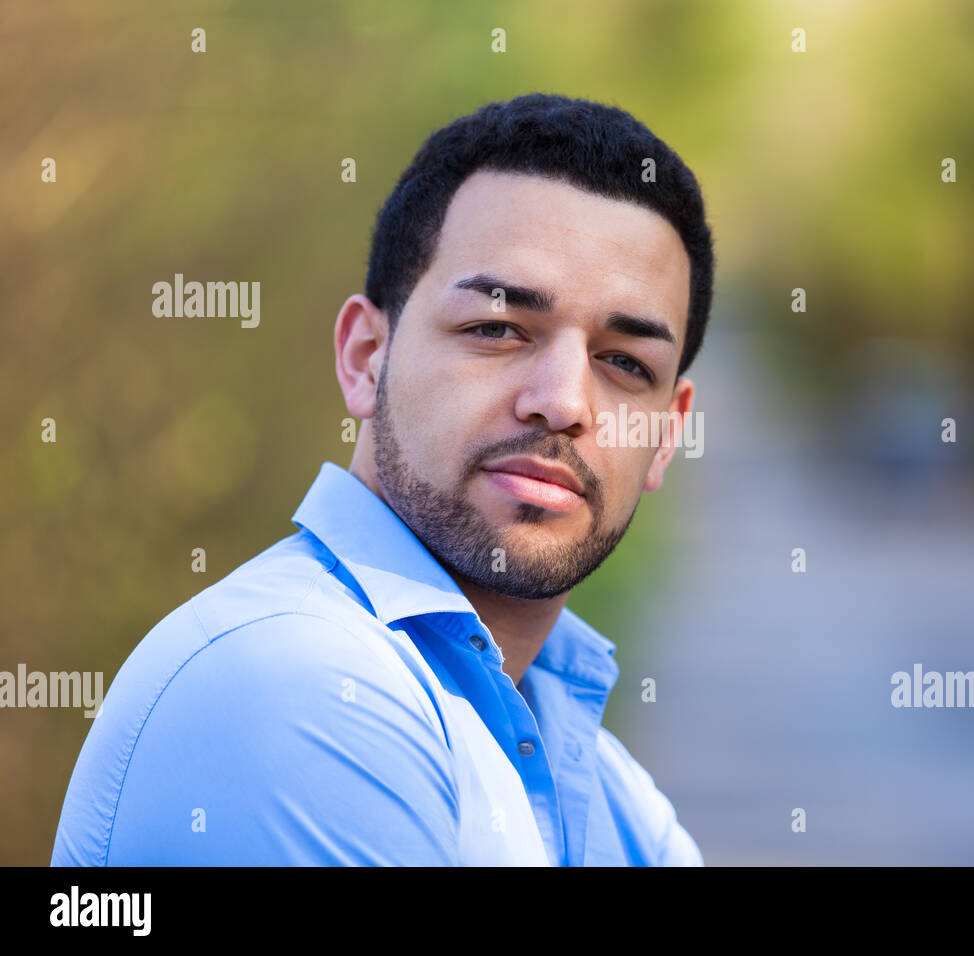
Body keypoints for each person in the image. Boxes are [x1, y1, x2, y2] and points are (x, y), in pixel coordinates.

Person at [50, 92, 714, 866]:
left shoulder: (609, 793)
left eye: (625, 363)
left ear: (667, 434)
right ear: (367, 357)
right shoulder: (291, 685)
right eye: (497, 329)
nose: (564, 403)